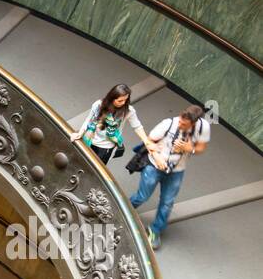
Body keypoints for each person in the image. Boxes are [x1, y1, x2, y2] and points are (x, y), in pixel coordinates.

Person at [130, 104, 210, 250]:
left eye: (184, 124)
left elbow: (201, 148)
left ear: (194, 123)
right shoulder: (168, 124)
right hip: (155, 165)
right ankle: (124, 209)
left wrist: (189, 149)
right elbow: (149, 141)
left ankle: (155, 231)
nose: (180, 124)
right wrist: (157, 157)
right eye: (180, 120)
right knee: (142, 196)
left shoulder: (202, 128)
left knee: (167, 202)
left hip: (177, 170)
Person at [71, 84, 155, 166]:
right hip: (90, 140)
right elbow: (89, 120)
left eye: (126, 100)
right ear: (112, 98)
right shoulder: (98, 105)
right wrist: (80, 133)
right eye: (120, 100)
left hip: (105, 148)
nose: (123, 103)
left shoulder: (128, 110)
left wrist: (146, 141)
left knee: (96, 169)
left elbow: (137, 126)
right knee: (81, 163)